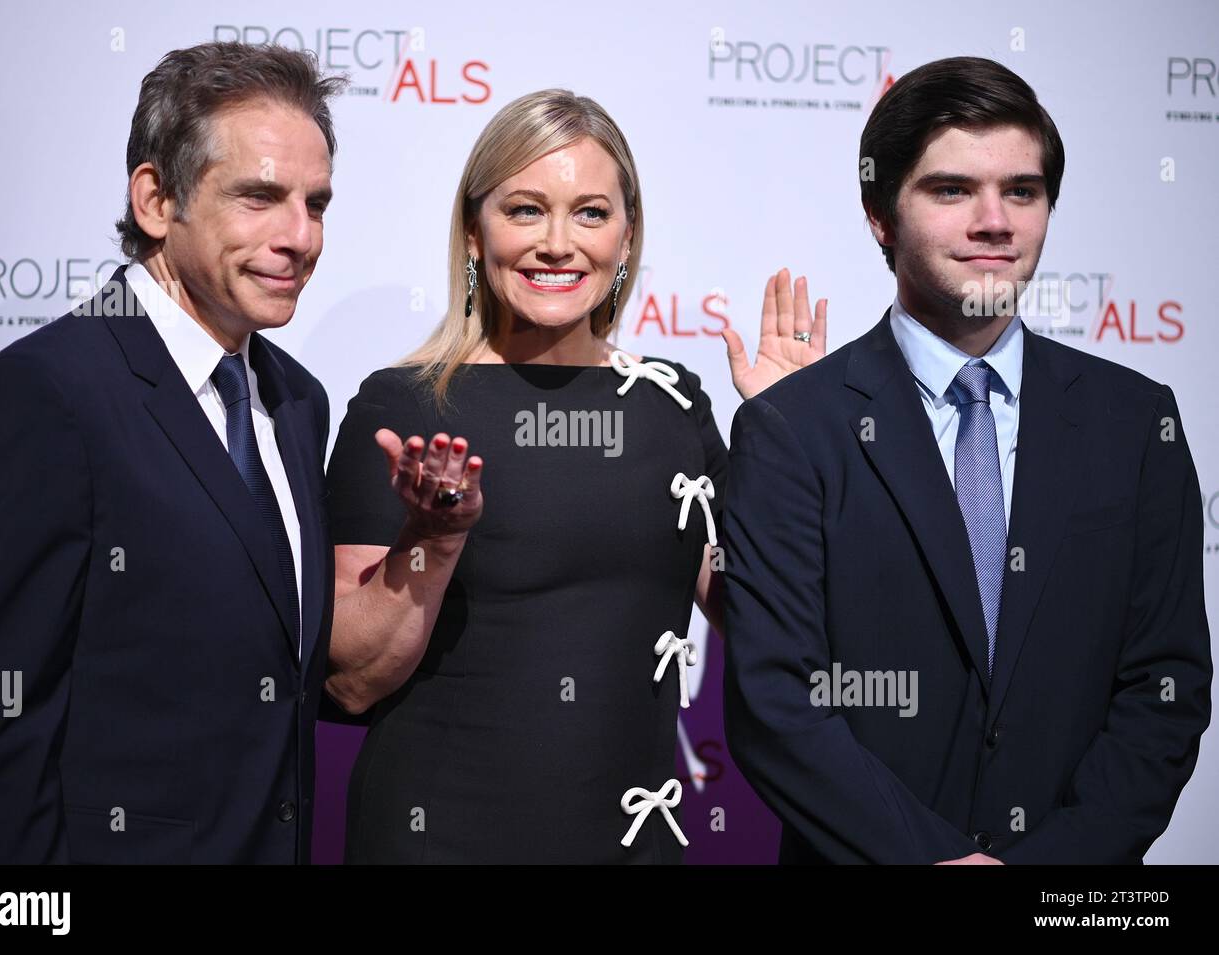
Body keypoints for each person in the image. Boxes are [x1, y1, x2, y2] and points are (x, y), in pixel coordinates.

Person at [722, 56, 1212, 864]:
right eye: (952, 191)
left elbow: (1164, 690)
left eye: (1022, 191)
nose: (995, 221)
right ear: (881, 214)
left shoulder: (1135, 421)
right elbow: (777, 703)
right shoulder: (794, 428)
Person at [322, 88, 826, 863]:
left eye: (590, 213)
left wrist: (787, 439)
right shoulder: (403, 407)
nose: (558, 243)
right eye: (525, 209)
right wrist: (434, 536)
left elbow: (768, 621)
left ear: (627, 238)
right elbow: (350, 680)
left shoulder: (672, 404)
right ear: (472, 228)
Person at [0, 42, 347, 863]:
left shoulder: (299, 401)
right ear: (156, 200)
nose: (300, 236)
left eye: (317, 202)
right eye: (260, 196)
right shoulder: (45, 398)